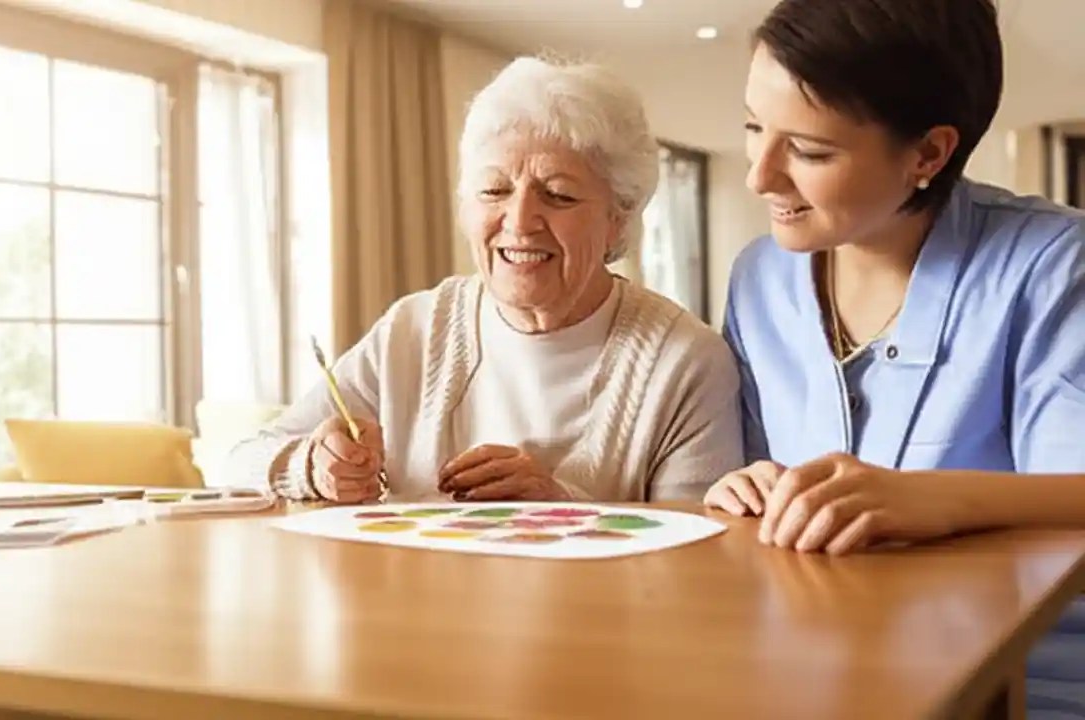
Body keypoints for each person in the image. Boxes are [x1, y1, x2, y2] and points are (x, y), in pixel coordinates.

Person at [701, 0, 1085, 715]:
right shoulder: (758, 279)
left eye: (809, 151)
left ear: (929, 154)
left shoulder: (1053, 264)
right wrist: (747, 488)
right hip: (819, 677)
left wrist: (931, 499)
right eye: (754, 128)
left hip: (1031, 689)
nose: (760, 176)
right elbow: (763, 492)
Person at [224, 57, 743, 505]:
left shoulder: (684, 362)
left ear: (619, 219)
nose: (520, 221)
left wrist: (562, 508)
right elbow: (239, 462)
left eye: (558, 195)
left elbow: (701, 554)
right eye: (494, 190)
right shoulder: (414, 330)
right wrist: (313, 465)